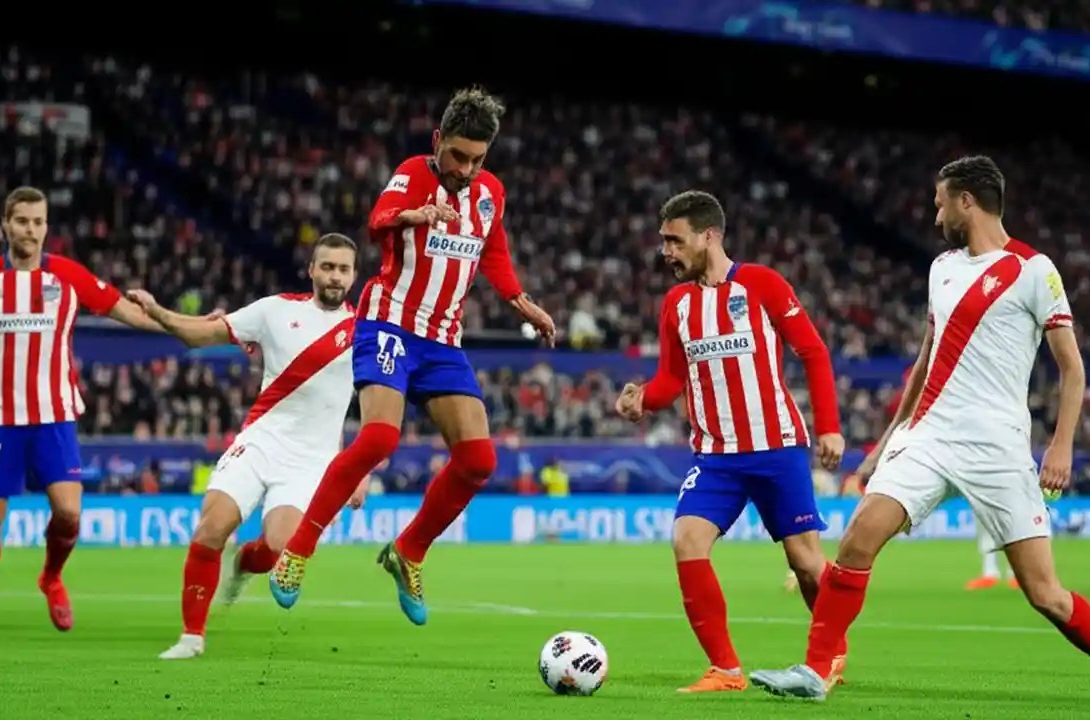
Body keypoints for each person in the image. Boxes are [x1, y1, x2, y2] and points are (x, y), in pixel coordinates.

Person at [748, 156, 1090, 704]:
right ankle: (815, 673)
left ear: (966, 202)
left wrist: (1061, 444)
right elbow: (926, 361)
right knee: (859, 537)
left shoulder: (1034, 270)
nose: (934, 217)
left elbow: (1072, 368)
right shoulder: (942, 269)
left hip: (997, 446)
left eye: (939, 204)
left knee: (1045, 593)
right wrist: (886, 442)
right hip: (929, 436)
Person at [269, 87, 555, 623]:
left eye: (478, 159)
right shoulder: (413, 173)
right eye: (458, 156)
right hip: (389, 322)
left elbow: (493, 251)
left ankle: (408, 552)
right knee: (380, 436)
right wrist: (415, 214)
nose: (466, 169)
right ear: (437, 141)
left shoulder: (490, 192)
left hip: (444, 338)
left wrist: (522, 301)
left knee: (479, 459)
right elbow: (377, 220)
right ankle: (299, 548)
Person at [615, 190, 846, 693]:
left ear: (709, 235)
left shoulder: (761, 284)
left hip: (776, 446)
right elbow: (671, 379)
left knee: (806, 563)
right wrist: (642, 401)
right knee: (686, 539)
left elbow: (813, 350)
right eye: (663, 243)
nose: (666, 252)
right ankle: (726, 669)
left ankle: (832, 653)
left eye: (675, 241)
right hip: (716, 456)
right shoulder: (676, 304)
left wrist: (828, 425)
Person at [128, 234, 366, 659]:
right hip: (261, 442)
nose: (334, 276)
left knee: (276, 551)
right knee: (212, 526)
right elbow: (200, 335)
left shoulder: (365, 331)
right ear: (312, 269)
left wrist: (360, 469)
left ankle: (242, 565)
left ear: (353, 276)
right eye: (327, 266)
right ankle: (191, 637)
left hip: (312, 462)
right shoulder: (274, 310)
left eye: (343, 269)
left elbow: (372, 401)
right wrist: (160, 313)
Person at [0, 186, 171, 639]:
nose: (31, 229)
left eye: (38, 222)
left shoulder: (67, 275)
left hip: (53, 415)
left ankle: (50, 577)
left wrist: (191, 325)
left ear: (47, 226)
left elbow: (128, 313)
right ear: (6, 224)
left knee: (68, 513)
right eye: (22, 221)